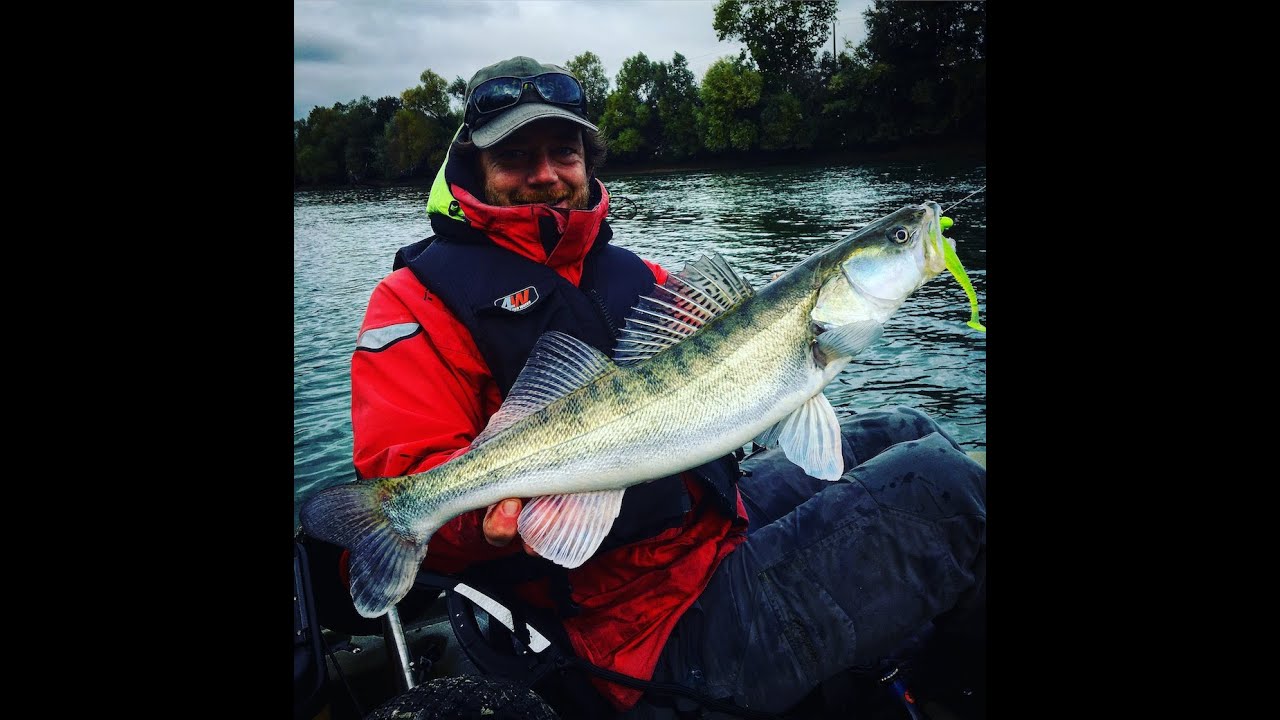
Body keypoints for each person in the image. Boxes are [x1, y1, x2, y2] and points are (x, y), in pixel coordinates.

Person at [321, 55, 987, 719]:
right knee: (946, 486)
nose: (547, 174)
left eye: (563, 151)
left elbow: (759, 396)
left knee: (910, 430)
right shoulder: (414, 303)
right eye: (517, 156)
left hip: (707, 533)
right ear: (475, 167)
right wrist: (477, 524)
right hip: (626, 632)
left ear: (588, 160)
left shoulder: (636, 274)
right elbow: (410, 468)